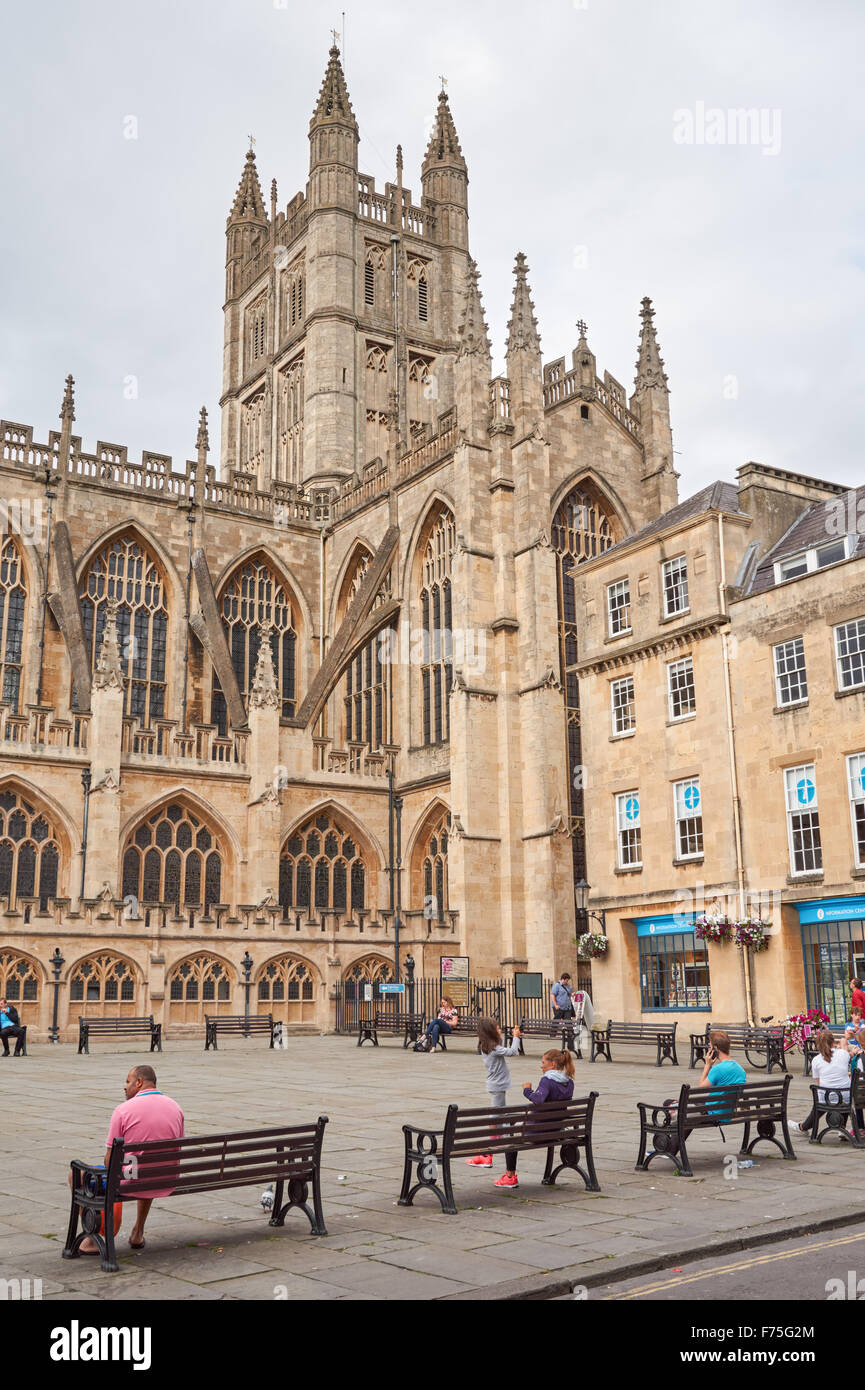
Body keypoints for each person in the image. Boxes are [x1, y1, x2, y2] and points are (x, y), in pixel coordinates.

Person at [70, 1064, 184, 1254]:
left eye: (127, 1081)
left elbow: (109, 1162)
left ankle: (92, 1237)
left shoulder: (123, 1110)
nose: (125, 1086)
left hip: (131, 1181)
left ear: (139, 1083)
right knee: (147, 1167)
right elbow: (178, 1149)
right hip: (165, 1179)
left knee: (76, 1174)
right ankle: (138, 1232)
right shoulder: (175, 1107)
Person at [494, 1047, 575, 1189]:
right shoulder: (569, 1082)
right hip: (557, 1130)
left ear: (553, 1065)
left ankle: (510, 1176)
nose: (541, 1065)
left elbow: (538, 1099)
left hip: (538, 1132)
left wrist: (527, 1089)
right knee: (516, 1127)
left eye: (543, 1062)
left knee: (510, 1135)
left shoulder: (547, 1080)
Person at [465, 1017, 523, 1168]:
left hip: (497, 1085)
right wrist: (516, 1037)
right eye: (497, 1028)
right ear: (491, 1032)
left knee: (500, 1115)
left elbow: (501, 1046)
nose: (500, 1029)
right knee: (496, 1115)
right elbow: (512, 1052)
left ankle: (497, 1142)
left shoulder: (488, 1046)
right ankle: (489, 1150)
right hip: (497, 1085)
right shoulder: (494, 1048)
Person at [789, 1029, 852, 1133]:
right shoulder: (843, 1054)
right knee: (842, 1089)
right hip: (846, 1095)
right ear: (833, 1042)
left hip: (827, 1096)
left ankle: (803, 1127)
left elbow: (820, 1083)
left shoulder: (816, 1060)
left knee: (822, 1097)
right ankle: (842, 1128)